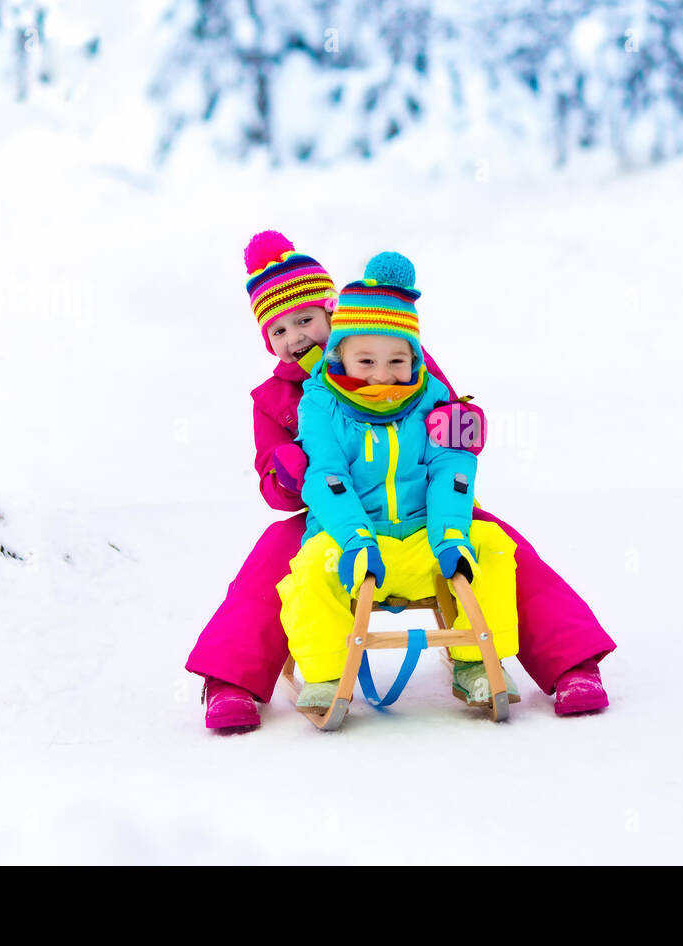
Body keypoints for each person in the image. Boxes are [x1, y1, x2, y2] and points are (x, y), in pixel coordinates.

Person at [185, 231, 614, 730]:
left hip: (419, 503)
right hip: (334, 514)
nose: (295, 337)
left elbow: (446, 424)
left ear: (333, 313)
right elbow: (272, 483)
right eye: (278, 330)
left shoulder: (395, 351)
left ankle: (571, 664)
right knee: (272, 566)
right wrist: (285, 475)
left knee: (503, 549)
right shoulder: (273, 399)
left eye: (305, 320)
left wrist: (461, 428)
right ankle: (230, 680)